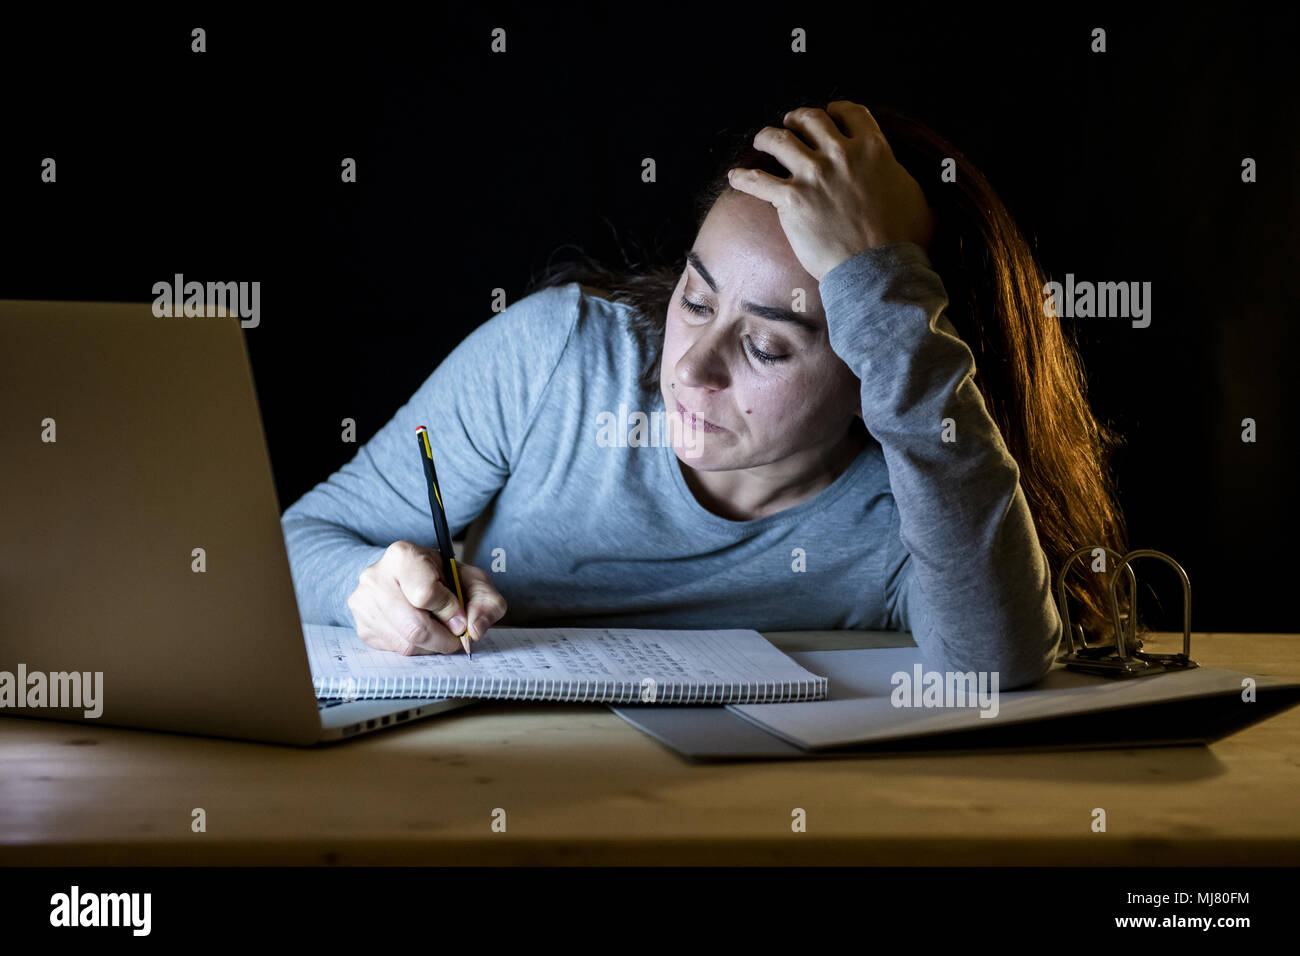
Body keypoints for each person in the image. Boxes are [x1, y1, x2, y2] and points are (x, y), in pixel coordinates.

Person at [281, 100, 1129, 689]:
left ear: (880, 355)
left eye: (765, 344)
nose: (689, 369)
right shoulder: (557, 355)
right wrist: (371, 586)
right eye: (695, 297)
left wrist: (885, 296)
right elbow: (296, 542)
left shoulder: (918, 496)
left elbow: (995, 661)